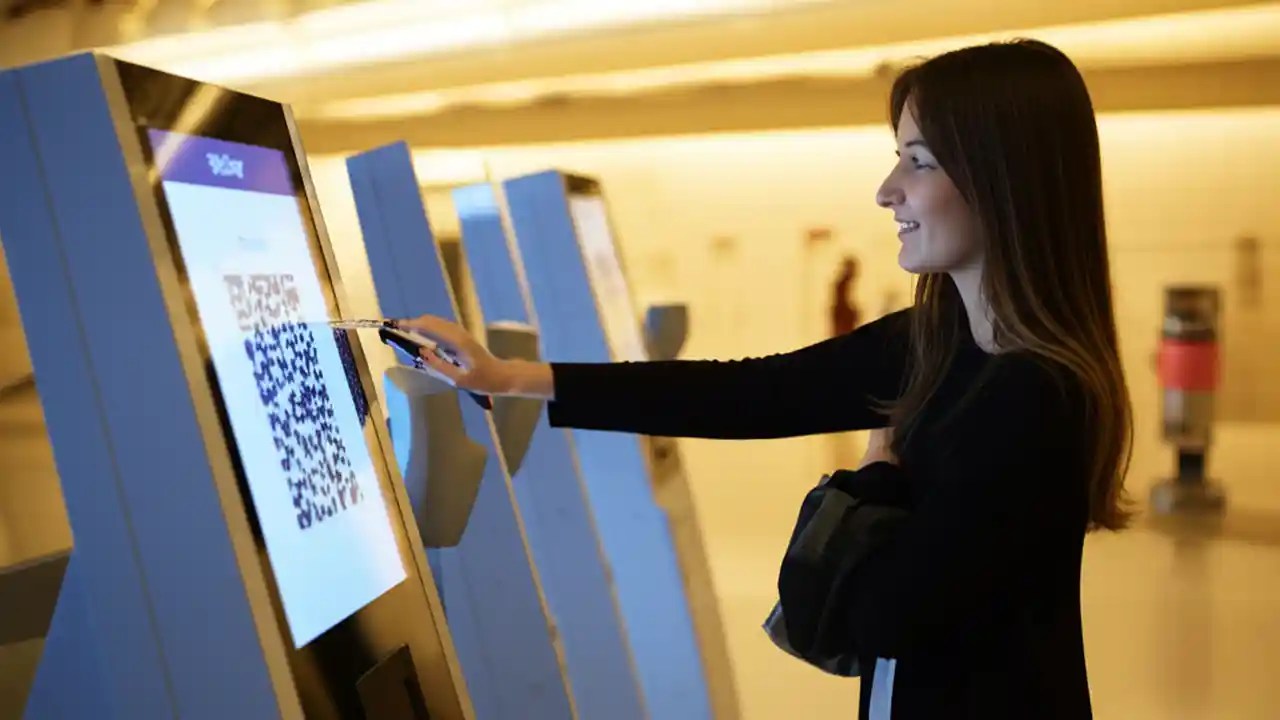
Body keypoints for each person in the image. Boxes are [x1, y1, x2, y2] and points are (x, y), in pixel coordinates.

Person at [398, 38, 1132, 720]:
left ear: (1001, 180)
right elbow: (750, 393)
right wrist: (514, 377)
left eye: (919, 161)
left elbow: (877, 616)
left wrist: (872, 478)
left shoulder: (1033, 395)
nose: (887, 190)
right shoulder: (936, 344)